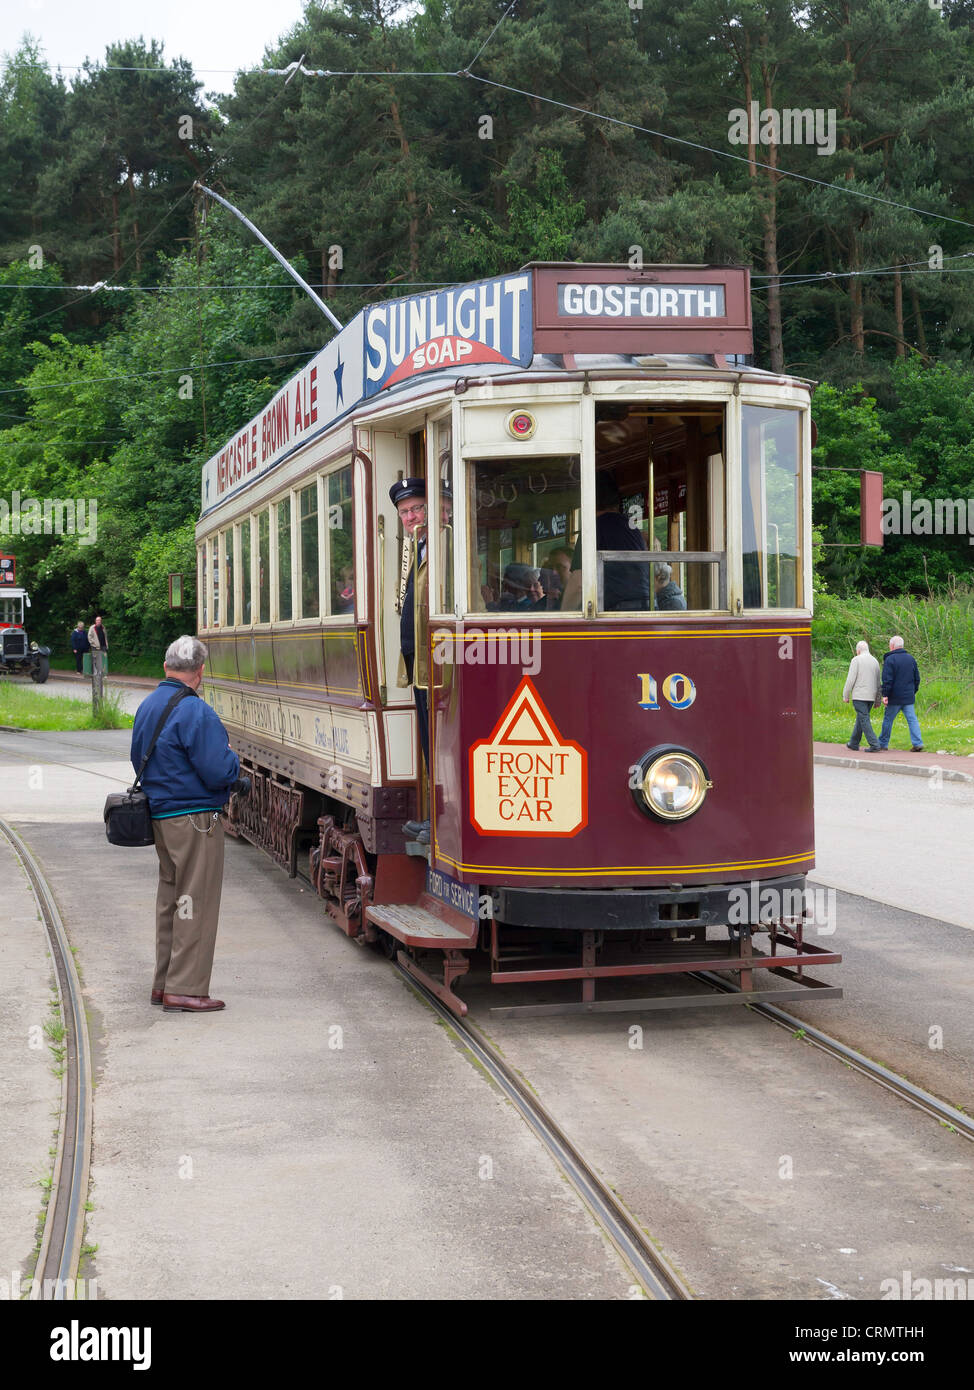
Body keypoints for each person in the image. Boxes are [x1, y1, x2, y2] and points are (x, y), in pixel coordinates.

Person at [130, 636, 244, 1013]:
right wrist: (234, 765)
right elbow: (216, 771)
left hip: (161, 818)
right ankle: (187, 989)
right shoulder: (197, 712)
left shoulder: (147, 706)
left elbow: (138, 758)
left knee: (172, 902)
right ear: (200, 672)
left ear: (166, 668)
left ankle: (164, 984)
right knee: (195, 902)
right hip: (195, 821)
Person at [391, 477, 431, 842]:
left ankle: (441, 818)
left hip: (437, 663)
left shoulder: (440, 546)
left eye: (417, 508)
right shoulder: (415, 548)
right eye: (405, 511)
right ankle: (433, 814)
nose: (410, 515)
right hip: (418, 663)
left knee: (436, 739)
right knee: (427, 739)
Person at [562, 473, 649, 610]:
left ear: (586, 499)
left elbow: (579, 584)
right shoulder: (631, 528)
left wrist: (563, 617)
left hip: (617, 614)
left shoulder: (592, 530)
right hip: (646, 609)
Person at [878, 635, 923, 751]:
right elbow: (917, 678)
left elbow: (887, 680)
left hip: (894, 697)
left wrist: (885, 695)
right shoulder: (911, 659)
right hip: (908, 696)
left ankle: (883, 743)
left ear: (892, 646)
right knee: (912, 719)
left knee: (888, 720)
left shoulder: (890, 660)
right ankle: (917, 742)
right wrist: (913, 691)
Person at [842, 639, 881, 751]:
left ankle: (874, 744)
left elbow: (850, 679)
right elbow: (878, 682)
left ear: (858, 650)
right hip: (871, 697)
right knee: (861, 718)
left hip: (860, 696)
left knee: (864, 719)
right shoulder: (875, 661)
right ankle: (854, 743)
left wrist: (845, 695)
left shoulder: (856, 660)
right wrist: (878, 699)